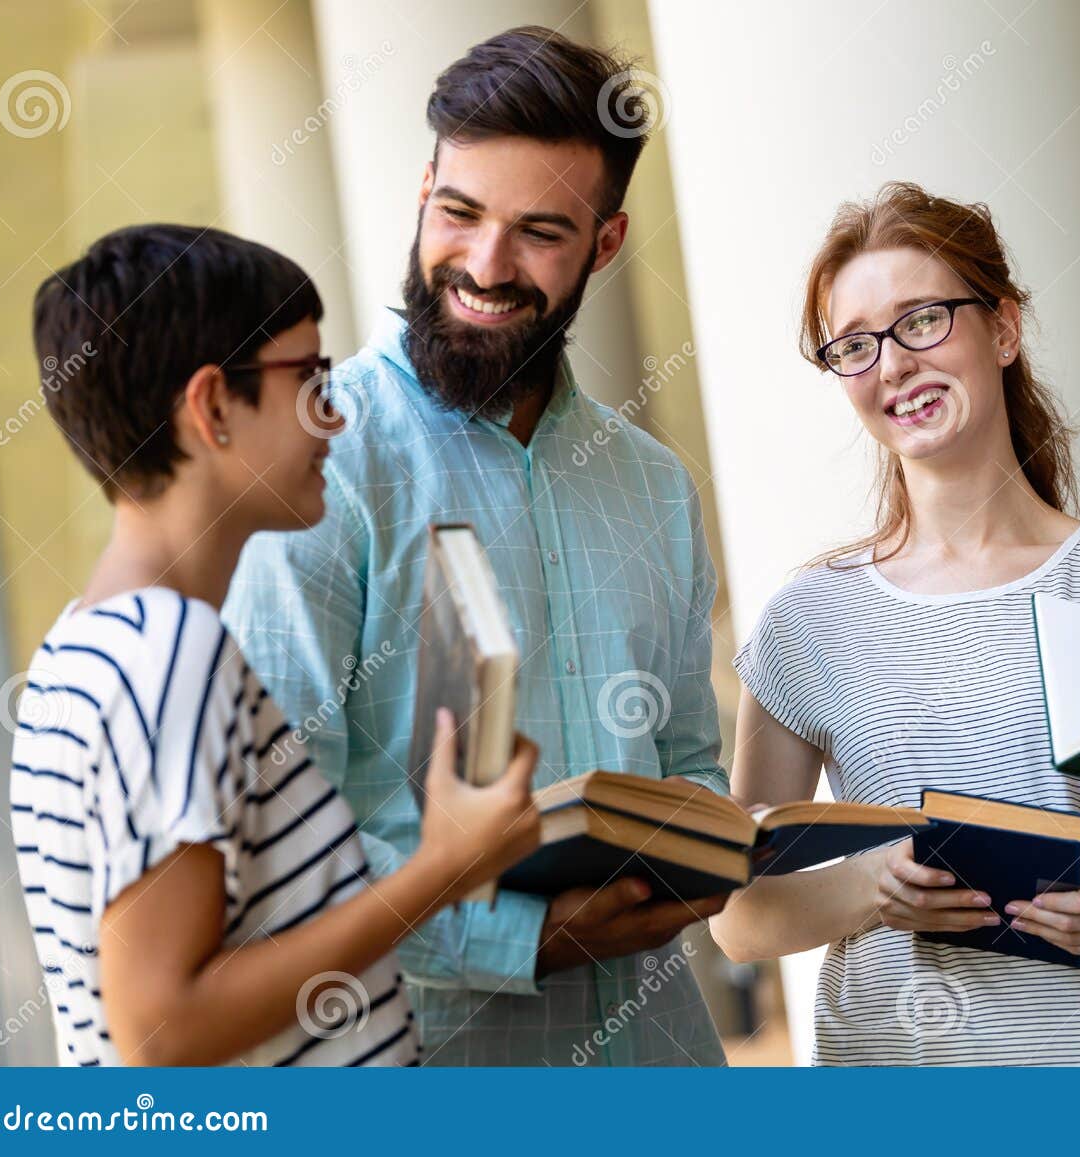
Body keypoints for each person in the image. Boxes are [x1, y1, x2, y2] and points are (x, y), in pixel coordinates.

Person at [708, 182, 1080, 1065]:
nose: (891, 365)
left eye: (922, 320)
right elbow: (736, 915)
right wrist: (875, 886)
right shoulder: (810, 621)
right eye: (855, 345)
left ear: (1002, 328)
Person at [222, 27, 729, 1066]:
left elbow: (686, 766)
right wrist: (523, 937)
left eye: (540, 231)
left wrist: (714, 853)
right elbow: (277, 822)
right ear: (423, 192)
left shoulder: (655, 484)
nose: (484, 266)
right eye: (459, 214)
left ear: (606, 241)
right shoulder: (320, 462)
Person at [12, 224, 540, 1067]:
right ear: (213, 405)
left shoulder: (78, 653)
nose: (335, 418)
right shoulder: (167, 650)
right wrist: (445, 865)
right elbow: (161, 1025)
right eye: (311, 381)